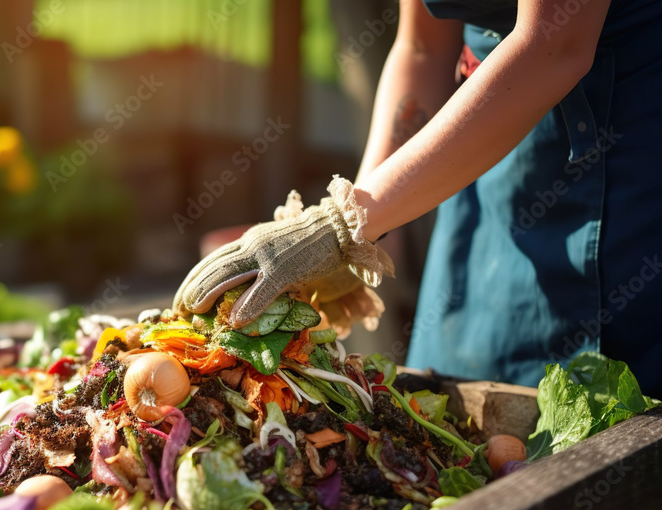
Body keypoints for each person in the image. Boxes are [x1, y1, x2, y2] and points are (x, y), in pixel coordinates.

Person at [174, 0, 662, 397]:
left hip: (616, 152)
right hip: (478, 145)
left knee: (602, 434)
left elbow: (554, 44)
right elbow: (422, 48)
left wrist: (348, 224)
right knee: (453, 411)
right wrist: (355, 225)